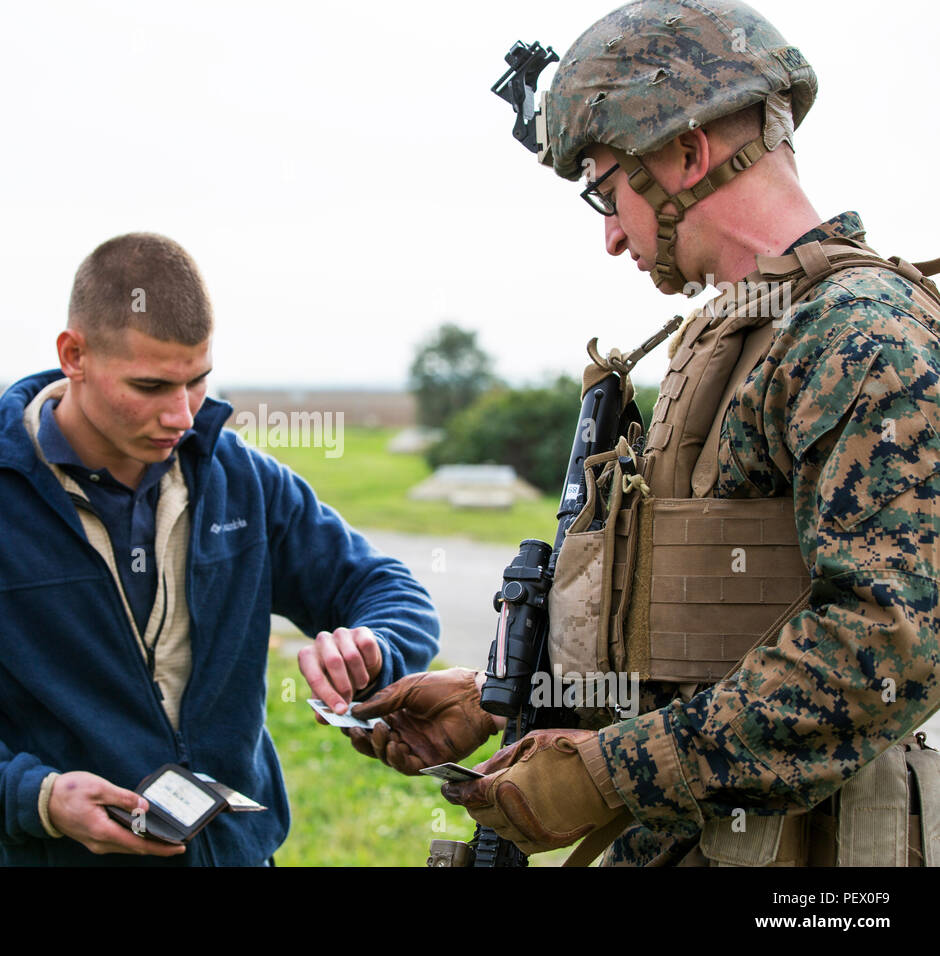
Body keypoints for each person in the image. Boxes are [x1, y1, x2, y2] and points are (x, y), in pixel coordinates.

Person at [349, 0, 940, 867]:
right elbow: (698, 638)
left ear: (686, 153)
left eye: (606, 187)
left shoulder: (861, 337)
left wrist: (609, 774)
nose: (611, 233)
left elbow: (886, 647)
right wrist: (515, 697)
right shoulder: (742, 336)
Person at [0, 232, 438, 866]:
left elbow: (388, 589)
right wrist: (38, 799)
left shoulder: (243, 482)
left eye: (198, 381)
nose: (182, 415)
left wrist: (375, 644)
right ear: (74, 354)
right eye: (151, 386)